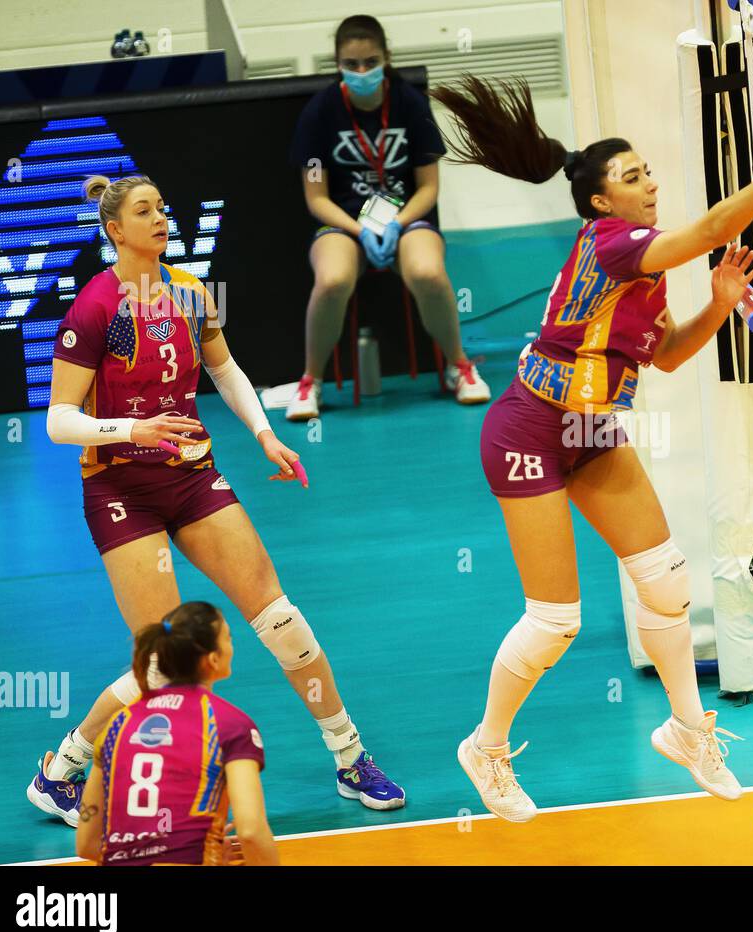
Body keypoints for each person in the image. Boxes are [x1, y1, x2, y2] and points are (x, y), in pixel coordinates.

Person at [428, 75, 753, 822]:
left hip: (590, 430)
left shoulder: (644, 273)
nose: (650, 183)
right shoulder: (615, 243)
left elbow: (664, 356)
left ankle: (689, 730)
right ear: (601, 201)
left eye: (647, 170)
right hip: (529, 428)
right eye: (633, 178)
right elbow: (702, 235)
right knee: (555, 620)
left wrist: (720, 307)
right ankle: (487, 746)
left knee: (664, 580)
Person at [31, 173, 405, 829]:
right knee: (163, 662)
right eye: (144, 211)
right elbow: (58, 421)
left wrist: (265, 436)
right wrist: (132, 429)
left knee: (281, 619)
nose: (160, 218)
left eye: (162, 208)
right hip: (121, 490)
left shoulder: (192, 291)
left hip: (192, 476)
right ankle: (63, 767)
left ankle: (350, 756)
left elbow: (224, 369)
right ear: (115, 229)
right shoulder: (94, 309)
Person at [285, 13, 489, 418]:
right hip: (342, 223)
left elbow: (429, 187)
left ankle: (458, 367)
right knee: (333, 279)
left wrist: (394, 224)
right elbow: (316, 197)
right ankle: (312, 382)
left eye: (370, 62)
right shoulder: (320, 112)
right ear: (339, 64)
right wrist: (360, 230)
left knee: (429, 272)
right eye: (352, 64)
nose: (362, 72)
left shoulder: (411, 105)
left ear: (387, 59)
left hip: (406, 219)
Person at [75, 602, 279, 866]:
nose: (232, 645)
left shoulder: (117, 725)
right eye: (228, 638)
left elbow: (87, 845)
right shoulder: (229, 724)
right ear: (213, 659)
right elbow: (250, 831)